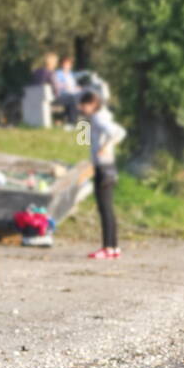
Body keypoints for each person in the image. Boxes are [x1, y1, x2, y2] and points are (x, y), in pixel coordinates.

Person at [78, 89, 125, 259]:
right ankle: (113, 248)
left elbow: (119, 132)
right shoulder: (94, 118)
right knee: (107, 209)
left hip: (103, 168)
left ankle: (107, 247)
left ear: (93, 104)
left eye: (84, 105)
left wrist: (105, 147)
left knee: (104, 208)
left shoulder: (99, 118)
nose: (81, 108)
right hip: (106, 166)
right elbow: (82, 139)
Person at [53, 55, 81, 126]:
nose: (66, 66)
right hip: (62, 94)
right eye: (65, 64)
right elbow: (56, 85)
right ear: (61, 65)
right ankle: (72, 122)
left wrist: (77, 88)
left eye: (68, 64)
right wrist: (65, 86)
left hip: (72, 93)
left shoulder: (71, 74)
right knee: (72, 99)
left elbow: (74, 85)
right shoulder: (58, 73)